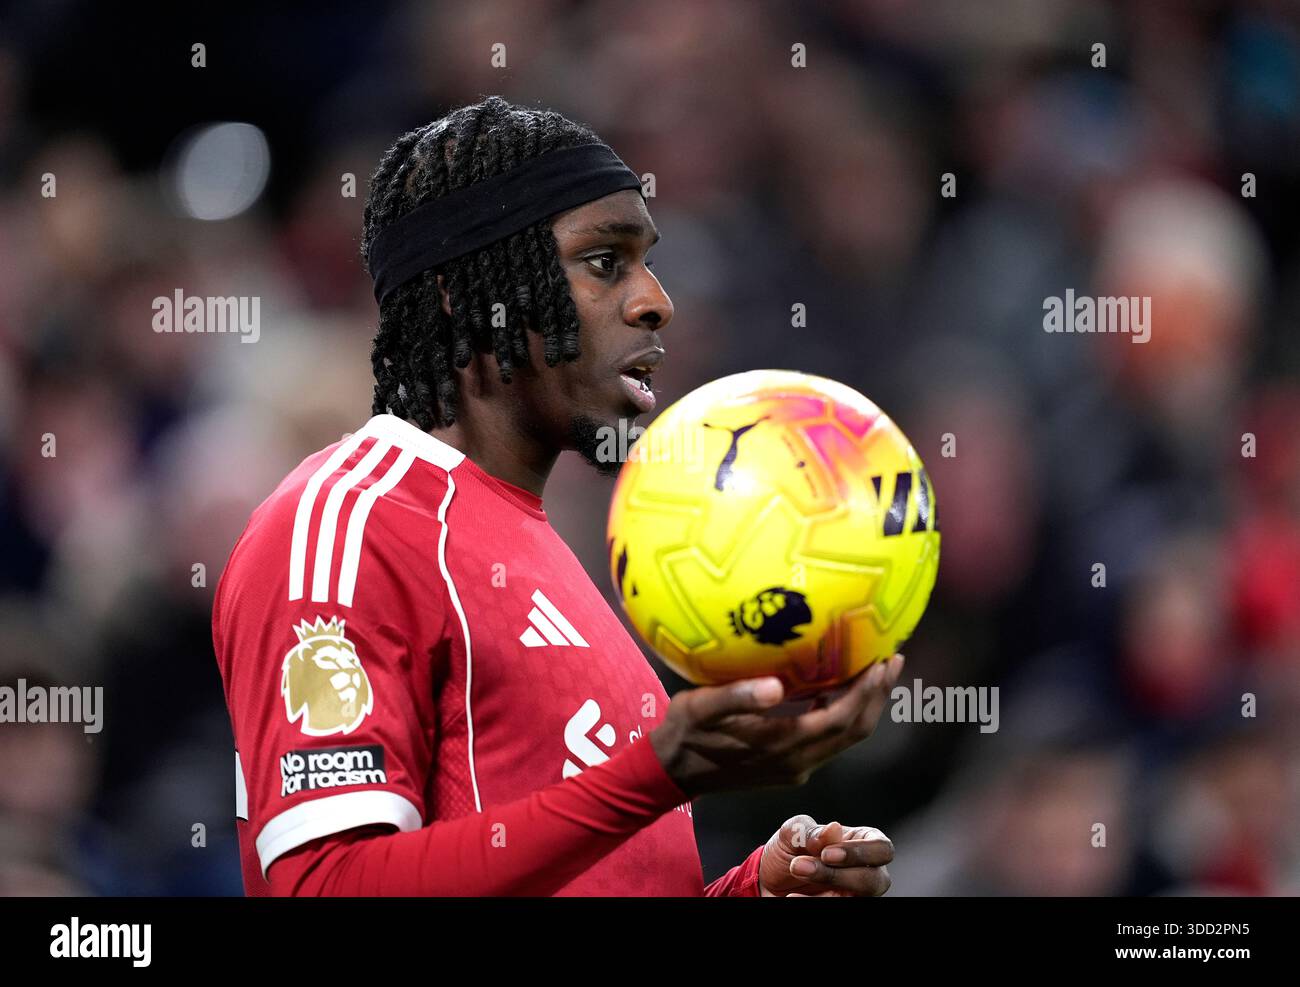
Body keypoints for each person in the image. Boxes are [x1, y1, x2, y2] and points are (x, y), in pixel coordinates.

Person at [213, 96, 905, 896]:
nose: (656, 300)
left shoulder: (556, 557)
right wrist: (654, 774)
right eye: (606, 261)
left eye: (647, 261)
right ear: (463, 294)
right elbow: (328, 886)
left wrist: (755, 891)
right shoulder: (343, 527)